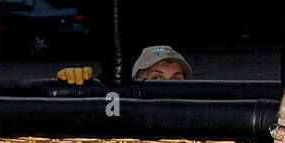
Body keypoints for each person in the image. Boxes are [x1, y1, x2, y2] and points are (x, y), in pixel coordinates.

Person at [57, 43, 193, 85]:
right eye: (156, 78)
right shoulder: (119, 111)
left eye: (176, 80)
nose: (166, 86)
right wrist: (74, 89)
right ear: (137, 79)